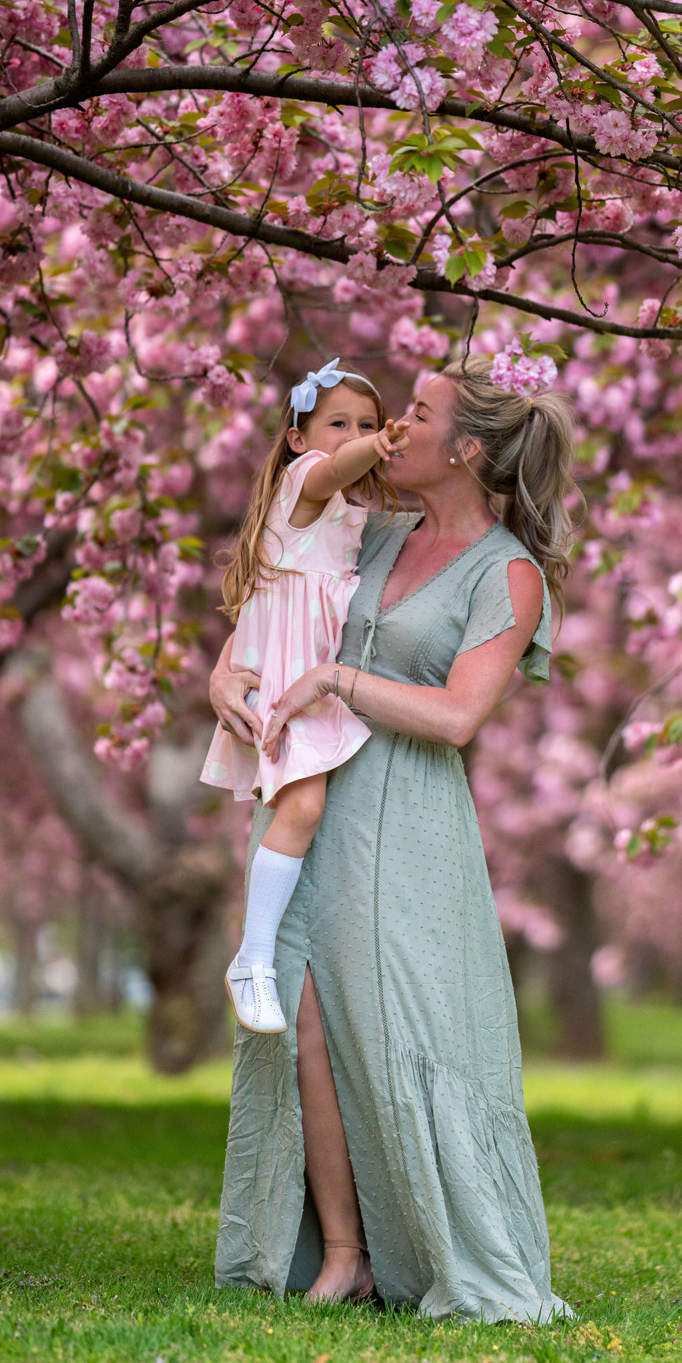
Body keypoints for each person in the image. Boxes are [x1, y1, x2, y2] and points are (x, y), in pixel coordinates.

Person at [208, 355, 577, 1316]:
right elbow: (281, 596)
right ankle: (340, 1255)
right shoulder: (372, 534)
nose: (395, 428)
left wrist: (335, 683)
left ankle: (435, 1247)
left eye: (417, 414)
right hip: (311, 798)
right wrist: (225, 675)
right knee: (309, 1031)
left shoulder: (510, 574)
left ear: (464, 449)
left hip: (406, 816)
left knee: (398, 1028)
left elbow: (459, 717)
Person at [201, 359, 405, 1037]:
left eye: (368, 424)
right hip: (291, 679)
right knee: (305, 804)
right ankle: (252, 958)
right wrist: (370, 447)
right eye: (337, 424)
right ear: (298, 438)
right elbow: (331, 470)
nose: (356, 436)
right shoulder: (305, 483)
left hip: (306, 672)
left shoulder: (351, 511)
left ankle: (259, 956)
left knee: (307, 808)